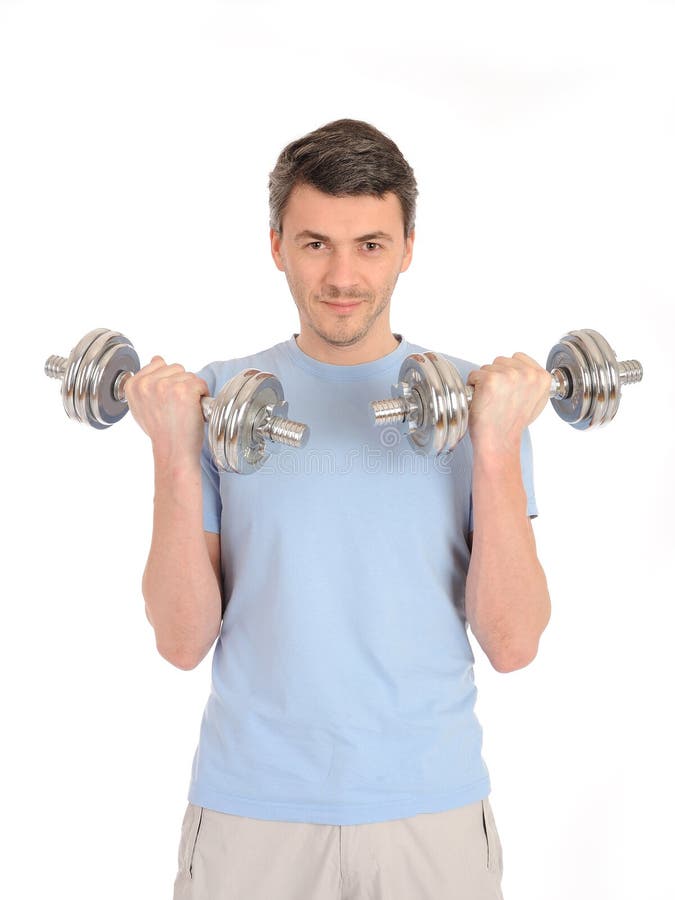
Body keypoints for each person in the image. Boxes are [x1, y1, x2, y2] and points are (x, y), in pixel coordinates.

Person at [125, 119, 552, 900]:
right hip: (252, 812)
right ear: (277, 246)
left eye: (370, 244)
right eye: (315, 243)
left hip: (429, 809)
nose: (342, 275)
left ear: (408, 248)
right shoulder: (212, 400)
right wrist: (172, 452)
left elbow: (513, 642)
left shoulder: (483, 403)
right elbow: (181, 642)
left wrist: (492, 447)